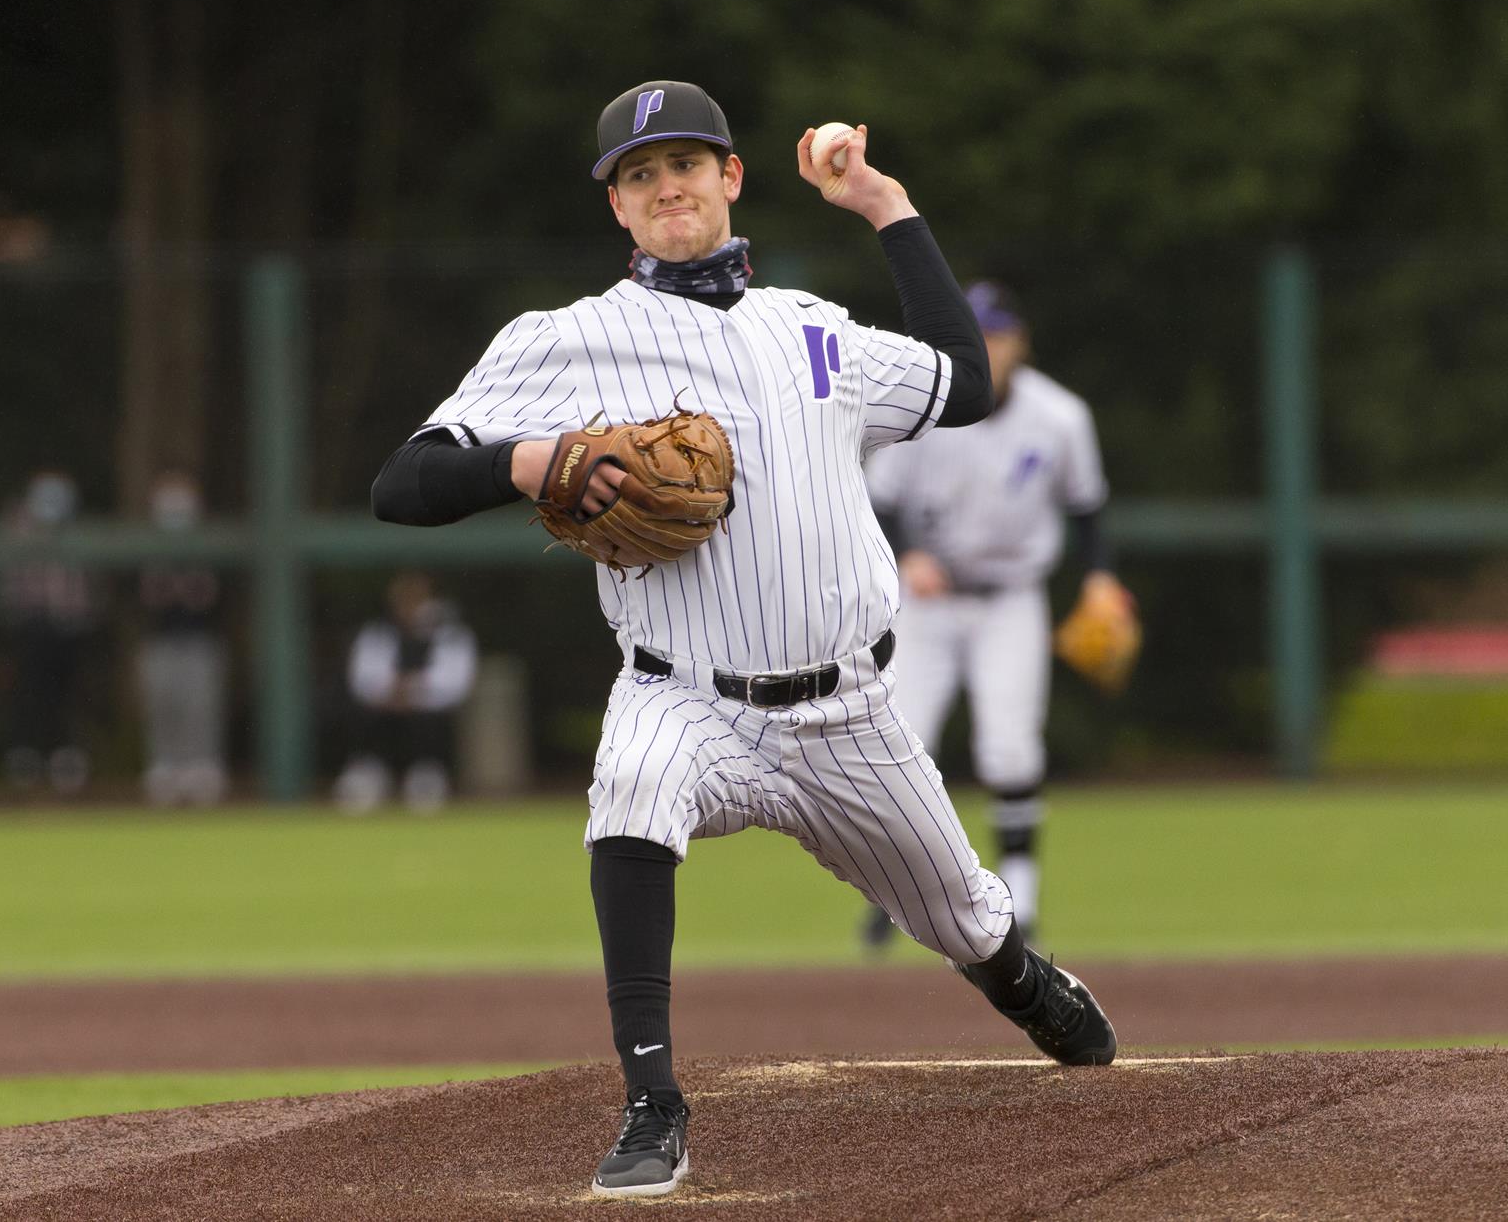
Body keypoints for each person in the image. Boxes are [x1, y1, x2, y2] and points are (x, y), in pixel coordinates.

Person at [370, 80, 1117, 1200]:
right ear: (616, 210)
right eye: (637, 174)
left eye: (684, 163)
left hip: (848, 713)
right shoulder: (569, 340)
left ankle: (1020, 979)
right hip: (686, 694)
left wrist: (884, 204)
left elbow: (962, 384)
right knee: (628, 789)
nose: (664, 185)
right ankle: (651, 1100)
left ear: (729, 179)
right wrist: (521, 462)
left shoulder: (811, 326)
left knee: (964, 915)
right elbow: (402, 484)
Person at [859, 282, 1133, 953]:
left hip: (1012, 598)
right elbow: (876, 501)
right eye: (978, 333)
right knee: (906, 746)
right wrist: (908, 554)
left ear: (1021, 342)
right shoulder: (922, 409)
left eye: (1001, 334)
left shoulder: (1059, 416)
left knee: (1009, 747)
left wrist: (1100, 580)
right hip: (926, 604)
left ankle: (1022, 895)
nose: (990, 346)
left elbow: (1088, 508)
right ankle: (895, 899)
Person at [330, 571, 478, 814]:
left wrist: (413, 690)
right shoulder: (376, 632)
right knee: (358, 714)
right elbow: (362, 680)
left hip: (429, 718)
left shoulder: (451, 634)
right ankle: (368, 774)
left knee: (431, 722)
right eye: (404, 599)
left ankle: (427, 779)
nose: (410, 606)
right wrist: (391, 693)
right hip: (382, 715)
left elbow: (455, 684)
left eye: (417, 598)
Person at [0, 470, 97, 795]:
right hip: (31, 626)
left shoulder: (79, 533)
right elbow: (4, 581)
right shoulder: (17, 529)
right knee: (29, 693)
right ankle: (24, 759)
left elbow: (91, 588)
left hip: (69, 628)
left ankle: (67, 760)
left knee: (66, 695)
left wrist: (82, 616)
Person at [134, 471, 230, 807]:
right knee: (162, 704)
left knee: (200, 705)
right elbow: (144, 598)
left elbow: (211, 597)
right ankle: (164, 770)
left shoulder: (208, 545)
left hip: (200, 640)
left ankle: (201, 771)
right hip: (159, 640)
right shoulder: (146, 547)